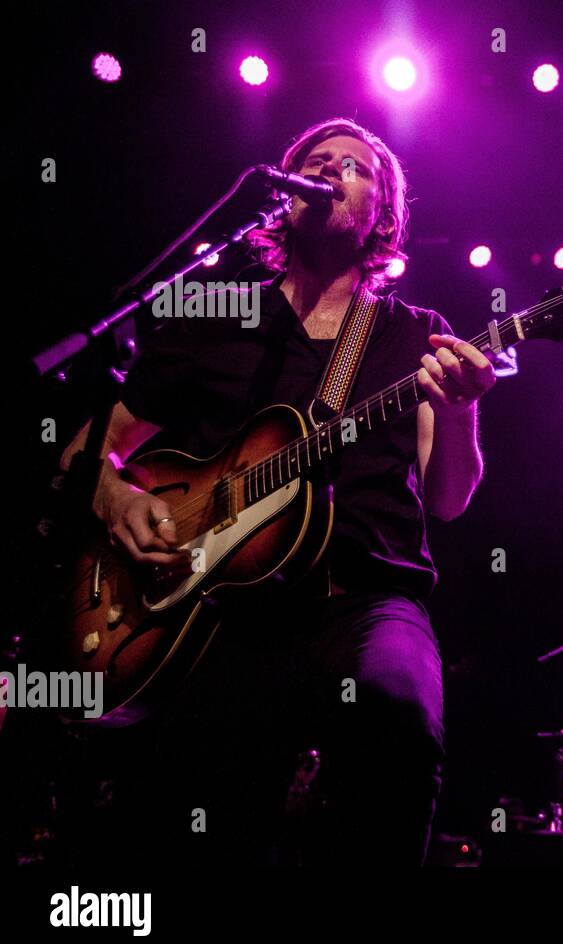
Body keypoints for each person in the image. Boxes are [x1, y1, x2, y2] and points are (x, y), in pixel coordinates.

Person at [58, 117, 498, 865]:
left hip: (363, 598)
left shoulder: (413, 334)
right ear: (280, 198)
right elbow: (85, 451)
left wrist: (459, 407)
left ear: (383, 213)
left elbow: (449, 498)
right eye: (313, 163)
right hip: (218, 608)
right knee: (184, 803)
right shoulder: (214, 317)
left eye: (352, 168)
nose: (329, 172)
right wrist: (119, 499)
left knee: (394, 709)